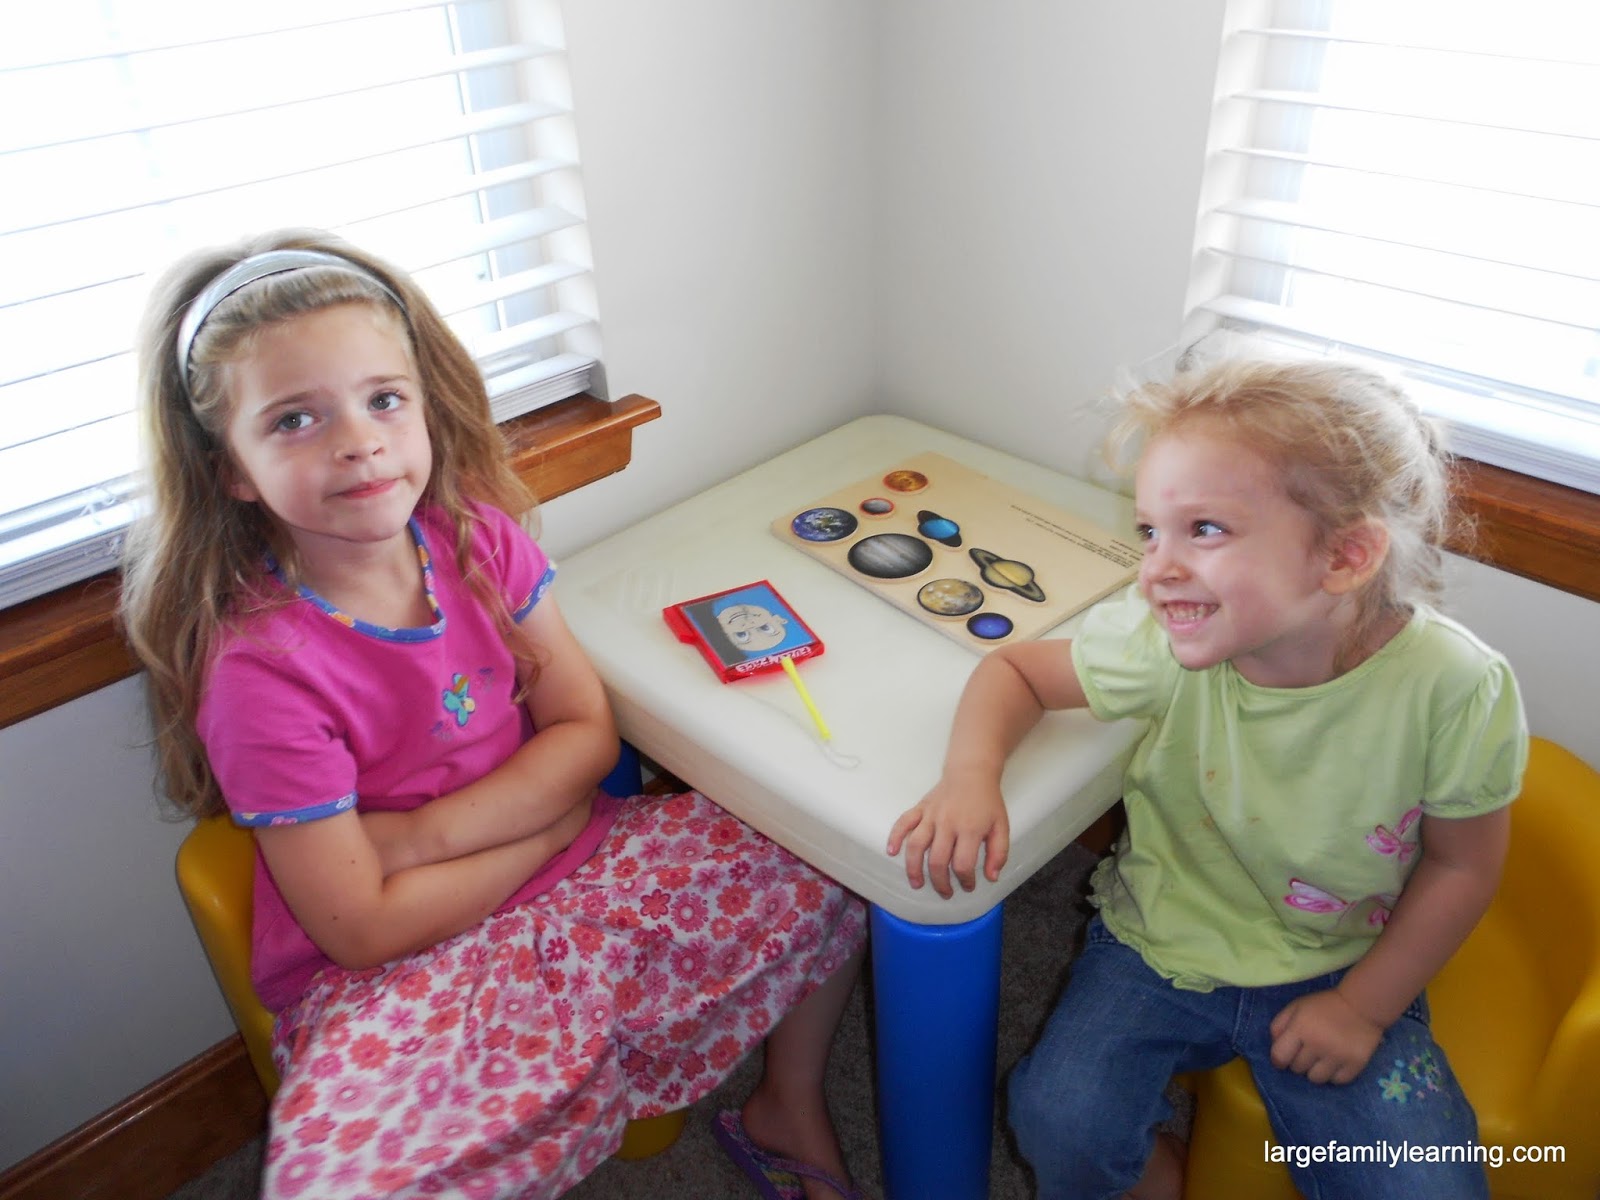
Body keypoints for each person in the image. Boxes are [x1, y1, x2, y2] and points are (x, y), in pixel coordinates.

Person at [121, 229, 867, 1200]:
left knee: (833, 858)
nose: (357, 439)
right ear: (231, 468)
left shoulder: (476, 536)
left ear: (424, 405)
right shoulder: (258, 671)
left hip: (580, 877)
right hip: (402, 976)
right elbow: (361, 928)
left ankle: (787, 1104)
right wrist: (540, 820)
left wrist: (423, 835)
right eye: (296, 420)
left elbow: (583, 731)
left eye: (383, 399)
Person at [886, 357, 1527, 1199]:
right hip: (1160, 943)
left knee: (1428, 1184)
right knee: (1058, 1119)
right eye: (1152, 531)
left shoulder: (1455, 687)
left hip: (1346, 958)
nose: (1156, 568)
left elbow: (1462, 864)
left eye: (1205, 531)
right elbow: (1017, 672)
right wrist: (971, 775)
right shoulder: (1163, 640)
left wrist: (1365, 1007)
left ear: (1345, 556)